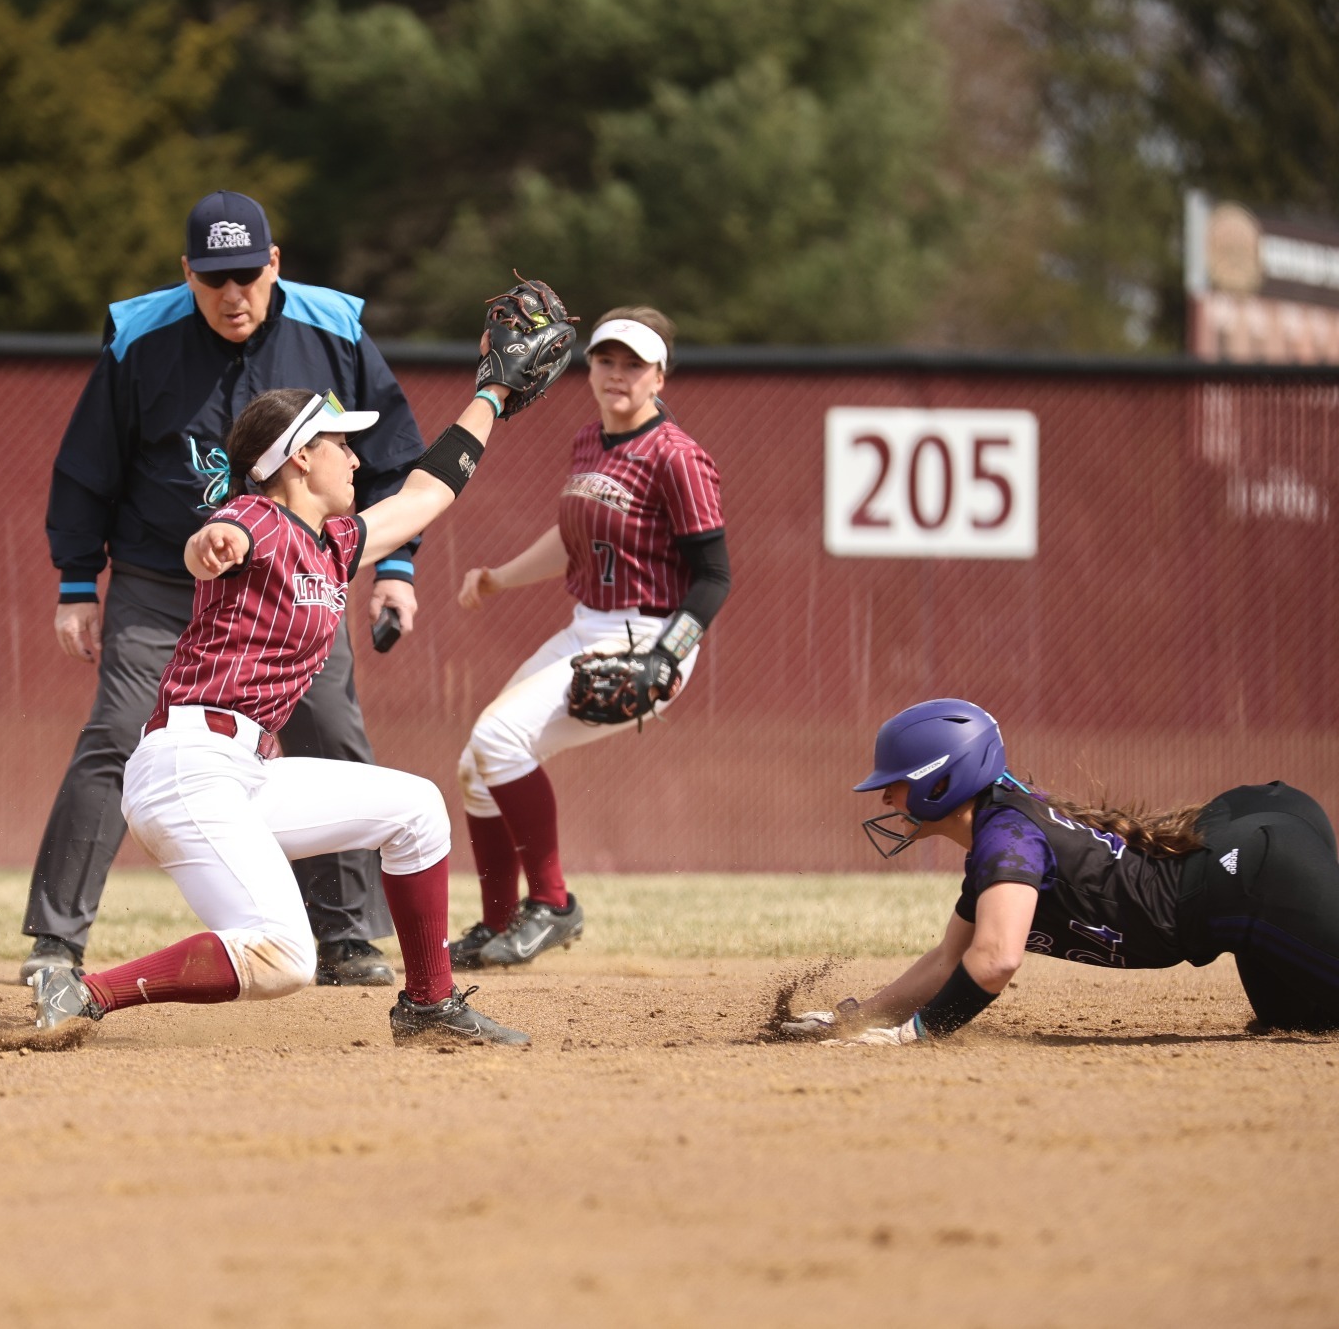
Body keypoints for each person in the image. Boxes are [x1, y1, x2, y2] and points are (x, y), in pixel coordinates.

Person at [29, 313, 569, 1044]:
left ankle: (428, 1005)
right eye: (341, 444)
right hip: (188, 767)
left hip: (243, 772)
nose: (355, 458)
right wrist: (210, 542)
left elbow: (427, 493)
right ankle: (84, 993)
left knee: (417, 809)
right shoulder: (254, 518)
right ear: (299, 457)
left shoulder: (333, 544)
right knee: (285, 956)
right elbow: (218, 536)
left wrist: (493, 394)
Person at [29, 191, 428, 989]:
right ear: (187, 273)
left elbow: (390, 453)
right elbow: (87, 464)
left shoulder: (333, 327)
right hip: (161, 580)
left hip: (292, 583)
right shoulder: (141, 337)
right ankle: (56, 940)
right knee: (115, 735)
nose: (233, 293)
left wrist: (397, 569)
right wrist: (77, 580)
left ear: (275, 263)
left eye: (248, 273)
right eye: (214, 278)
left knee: (331, 728)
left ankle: (347, 935)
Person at [783, 698, 1339, 1043]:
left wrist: (915, 1035)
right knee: (1305, 1023)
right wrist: (855, 1019)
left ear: (941, 781)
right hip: (1241, 851)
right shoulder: (1000, 824)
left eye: (895, 783)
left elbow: (996, 961)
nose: (885, 799)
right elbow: (950, 958)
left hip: (1258, 876)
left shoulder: (1007, 838)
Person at [447, 307, 731, 969]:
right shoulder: (589, 441)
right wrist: (500, 578)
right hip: (590, 626)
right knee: (475, 765)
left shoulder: (676, 456)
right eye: (607, 359)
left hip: (648, 635)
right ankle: (498, 923)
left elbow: (714, 575)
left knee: (498, 737)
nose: (618, 374)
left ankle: (553, 905)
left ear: (660, 376)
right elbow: (574, 536)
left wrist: (665, 656)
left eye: (635, 364)